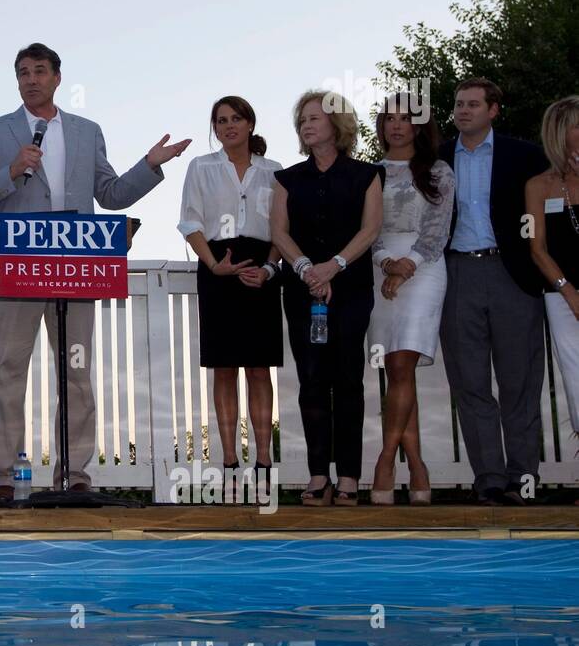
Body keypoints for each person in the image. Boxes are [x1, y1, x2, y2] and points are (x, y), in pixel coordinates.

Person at [0, 43, 189, 505]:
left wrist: (149, 166)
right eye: (22, 72)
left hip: (77, 267)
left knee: (77, 371)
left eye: (39, 71)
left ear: (58, 78)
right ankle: (4, 477)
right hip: (16, 268)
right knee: (8, 372)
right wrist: (11, 170)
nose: (30, 79)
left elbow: (111, 194)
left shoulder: (87, 132)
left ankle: (75, 472)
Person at [439, 78, 549, 505]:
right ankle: (489, 478)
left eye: (472, 104)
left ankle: (523, 480)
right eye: (458, 104)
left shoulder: (526, 156)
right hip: (456, 275)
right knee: (470, 384)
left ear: (493, 110)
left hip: (513, 275)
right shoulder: (437, 158)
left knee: (520, 383)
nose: (463, 111)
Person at [270, 91, 383, 507]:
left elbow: (370, 230)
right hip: (302, 292)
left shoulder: (367, 175)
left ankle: (350, 477)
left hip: (352, 289)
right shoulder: (287, 179)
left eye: (315, 118)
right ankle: (319, 475)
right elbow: (279, 232)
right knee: (312, 381)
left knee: (349, 382)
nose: (307, 125)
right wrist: (305, 270)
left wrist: (333, 266)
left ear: (337, 124)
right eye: (302, 120)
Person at [177, 96, 282, 493]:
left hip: (261, 266)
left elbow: (281, 227)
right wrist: (212, 264)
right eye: (220, 121)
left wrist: (270, 267)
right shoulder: (200, 167)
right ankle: (229, 460)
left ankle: (264, 459)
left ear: (250, 123)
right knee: (224, 367)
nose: (228, 126)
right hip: (217, 264)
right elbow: (189, 220)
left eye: (236, 118)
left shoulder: (274, 171)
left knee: (259, 367)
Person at [368, 99, 454, 504]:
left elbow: (438, 230)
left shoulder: (438, 171)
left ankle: (386, 460)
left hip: (425, 268)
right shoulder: (371, 174)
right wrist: (386, 262)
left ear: (420, 126)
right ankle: (418, 467)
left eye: (406, 118)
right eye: (390, 119)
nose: (398, 125)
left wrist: (407, 266)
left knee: (402, 362)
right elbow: (368, 229)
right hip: (380, 269)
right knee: (398, 369)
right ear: (382, 126)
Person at [525, 95, 579, 504]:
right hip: (561, 297)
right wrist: (569, 291)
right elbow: (538, 248)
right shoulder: (538, 187)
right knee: (577, 383)